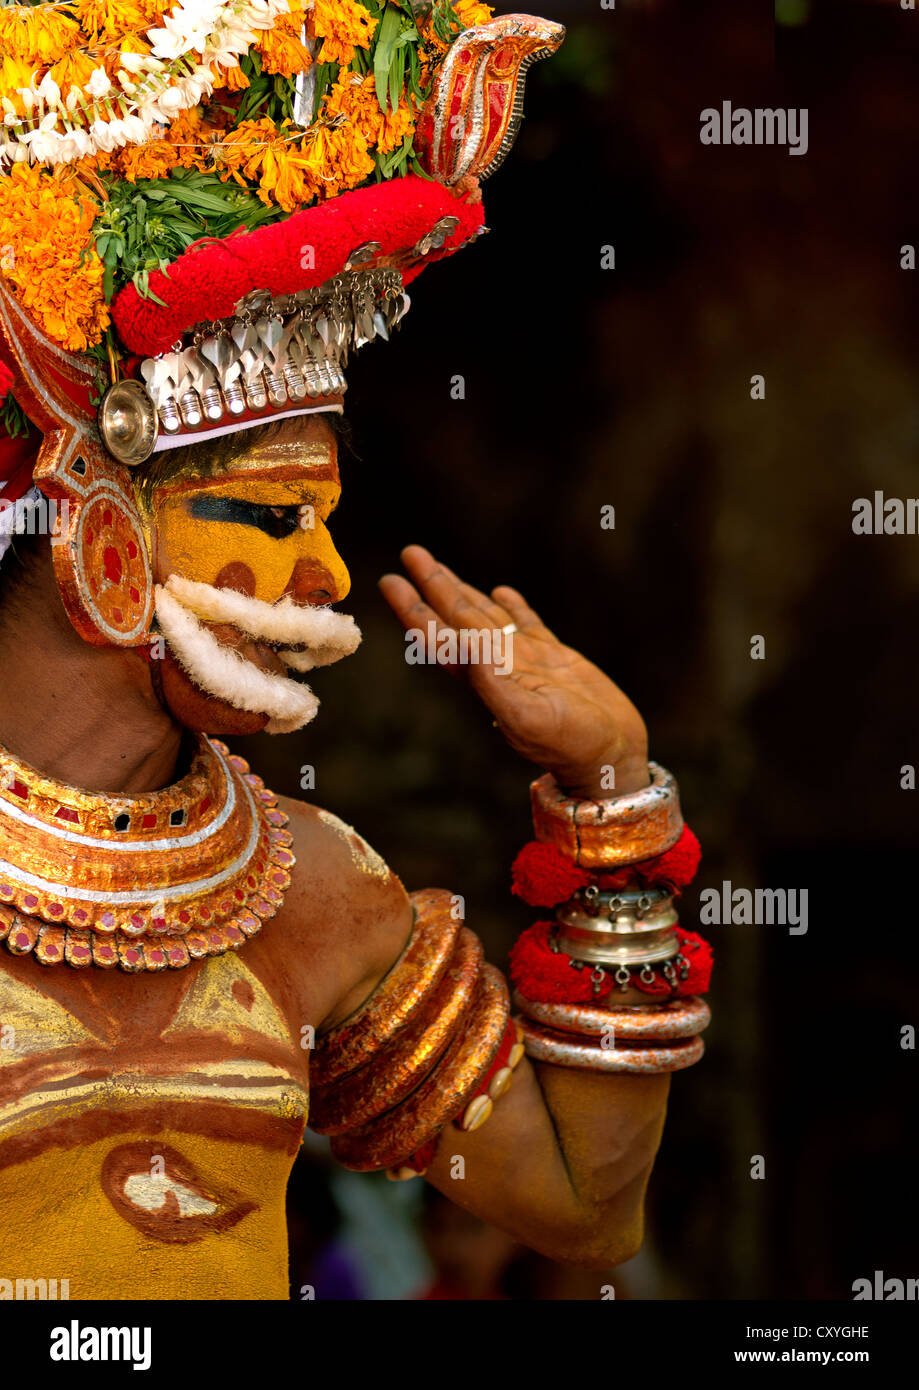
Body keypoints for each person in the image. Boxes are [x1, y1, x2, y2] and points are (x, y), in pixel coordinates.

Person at [0, 0, 711, 1299]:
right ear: (104, 537)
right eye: (274, 520)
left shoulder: (310, 894)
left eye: (324, 526)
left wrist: (613, 790)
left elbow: (583, 1209)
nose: (326, 575)